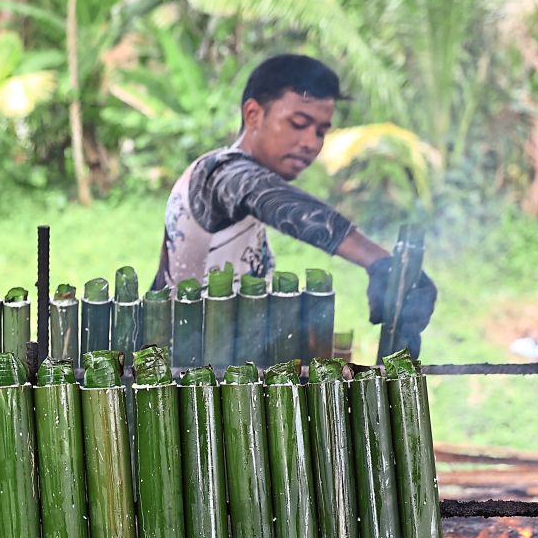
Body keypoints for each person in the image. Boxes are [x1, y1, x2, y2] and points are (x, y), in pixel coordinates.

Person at [157, 54, 436, 355]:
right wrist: (379, 261)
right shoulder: (218, 173)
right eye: (298, 124)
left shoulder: (242, 190)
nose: (310, 143)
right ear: (253, 115)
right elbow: (270, 195)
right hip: (181, 378)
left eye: (320, 131)